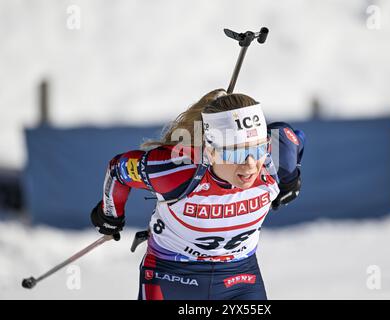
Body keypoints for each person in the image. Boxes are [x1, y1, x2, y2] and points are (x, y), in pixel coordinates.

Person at [90, 89, 305, 300]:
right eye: (236, 151)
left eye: (258, 149)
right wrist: (110, 215)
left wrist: (291, 180)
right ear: (210, 150)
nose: (250, 164)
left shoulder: (277, 157)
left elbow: (293, 138)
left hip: (239, 277)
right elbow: (119, 169)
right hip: (172, 276)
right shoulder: (176, 169)